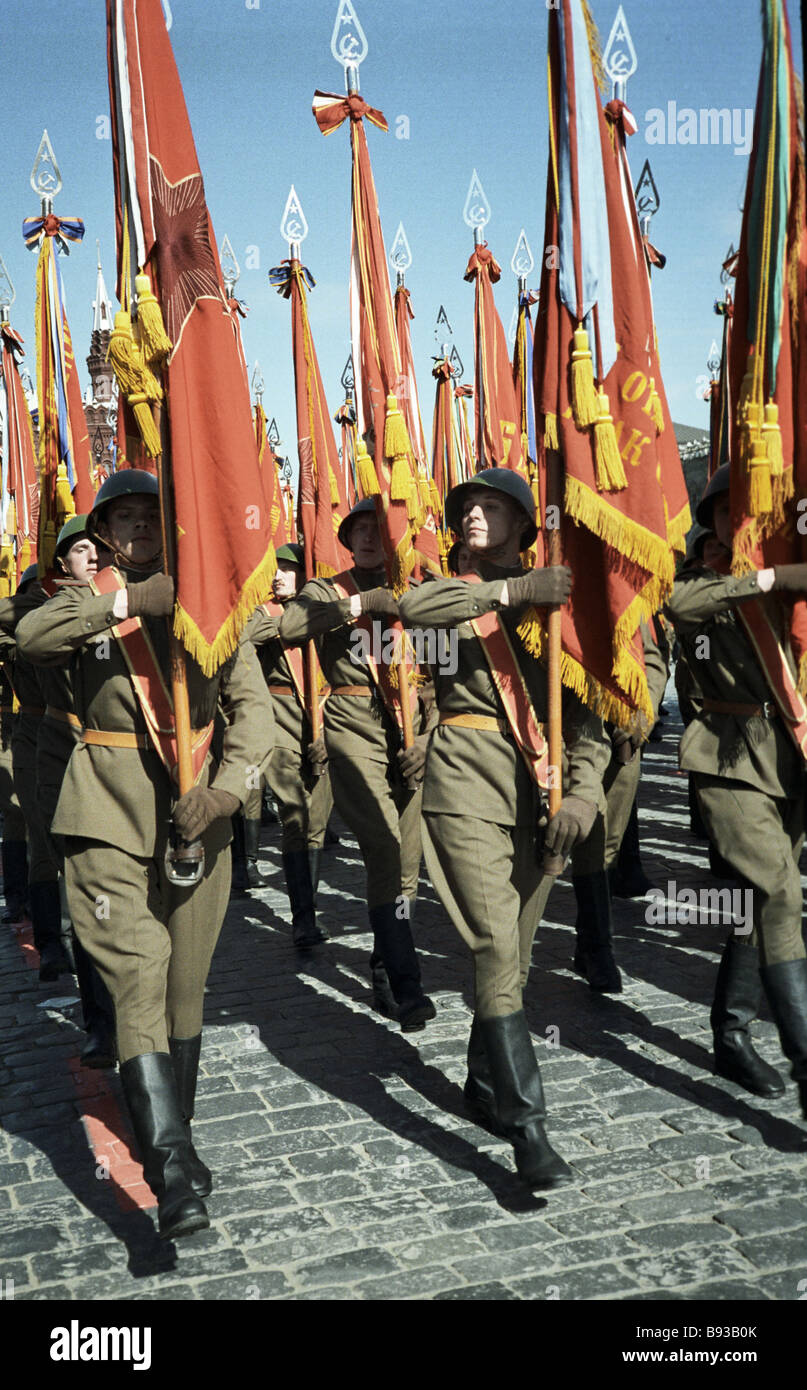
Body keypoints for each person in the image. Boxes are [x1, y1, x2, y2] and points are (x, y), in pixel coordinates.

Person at [17, 470, 275, 1238]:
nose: (136, 530)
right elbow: (32, 639)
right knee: (137, 978)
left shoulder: (210, 609)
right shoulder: (85, 598)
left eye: (149, 517)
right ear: (100, 531)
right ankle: (167, 1170)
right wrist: (128, 602)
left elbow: (252, 715)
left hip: (198, 815)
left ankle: (179, 1139)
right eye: (121, 518)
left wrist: (227, 794)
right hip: (106, 810)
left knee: (184, 994)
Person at [399, 468, 611, 1188]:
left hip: (539, 790)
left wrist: (582, 801)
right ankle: (528, 1130)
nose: (475, 516)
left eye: (492, 506)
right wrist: (510, 591)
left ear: (526, 524)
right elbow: (415, 608)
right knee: (493, 943)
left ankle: (482, 1085)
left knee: (512, 959)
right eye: (467, 508)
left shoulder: (558, 601)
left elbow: (588, 721)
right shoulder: (456, 589)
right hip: (463, 778)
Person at [666, 462, 807, 1112]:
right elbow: (680, 605)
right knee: (777, 889)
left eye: (741, 510)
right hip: (727, 755)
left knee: (759, 902)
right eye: (721, 511)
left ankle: (730, 1031)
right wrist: (769, 579)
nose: (731, 520)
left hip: (789, 754)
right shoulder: (706, 579)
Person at [278, 499, 436, 1031]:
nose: (369, 537)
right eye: (359, 529)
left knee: (408, 863)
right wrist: (358, 604)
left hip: (411, 724)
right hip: (353, 720)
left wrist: (429, 740)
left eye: (379, 528)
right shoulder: (328, 587)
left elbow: (446, 671)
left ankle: (385, 960)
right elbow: (293, 626)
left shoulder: (415, 589)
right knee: (386, 847)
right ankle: (409, 985)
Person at [34, 515, 117, 1067]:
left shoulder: (123, 596)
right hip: (63, 751)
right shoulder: (47, 609)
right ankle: (100, 1022)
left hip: (120, 755)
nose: (89, 557)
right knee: (87, 894)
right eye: (78, 549)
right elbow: (29, 633)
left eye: (96, 548)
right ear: (61, 560)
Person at [570, 619, 669, 992]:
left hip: (626, 734)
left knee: (606, 846)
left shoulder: (626, 593)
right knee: (585, 841)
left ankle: (593, 946)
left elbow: (654, 662)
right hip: (575, 729)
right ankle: (596, 949)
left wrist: (645, 711)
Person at [244, 542, 333, 948]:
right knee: (294, 817)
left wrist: (329, 734)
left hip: (327, 719)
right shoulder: (266, 613)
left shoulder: (327, 613)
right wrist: (280, 621)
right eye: (273, 569)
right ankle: (303, 919)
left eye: (287, 568)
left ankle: (309, 905)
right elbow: (241, 634)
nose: (278, 576)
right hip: (279, 720)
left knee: (315, 823)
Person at [0, 565, 70, 982]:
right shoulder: (20, 635)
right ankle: (51, 943)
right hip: (34, 737)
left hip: (85, 735)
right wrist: (40, 600)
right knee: (42, 840)